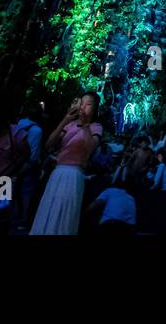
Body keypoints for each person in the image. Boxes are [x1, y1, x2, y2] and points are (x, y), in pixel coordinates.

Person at [30, 91, 102, 235]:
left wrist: (86, 125)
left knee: (66, 212)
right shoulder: (70, 125)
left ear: (95, 109)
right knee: (49, 208)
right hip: (58, 172)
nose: (84, 107)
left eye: (89, 104)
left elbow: (90, 149)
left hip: (75, 174)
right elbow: (49, 144)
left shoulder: (96, 127)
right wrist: (65, 120)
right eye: (82, 103)